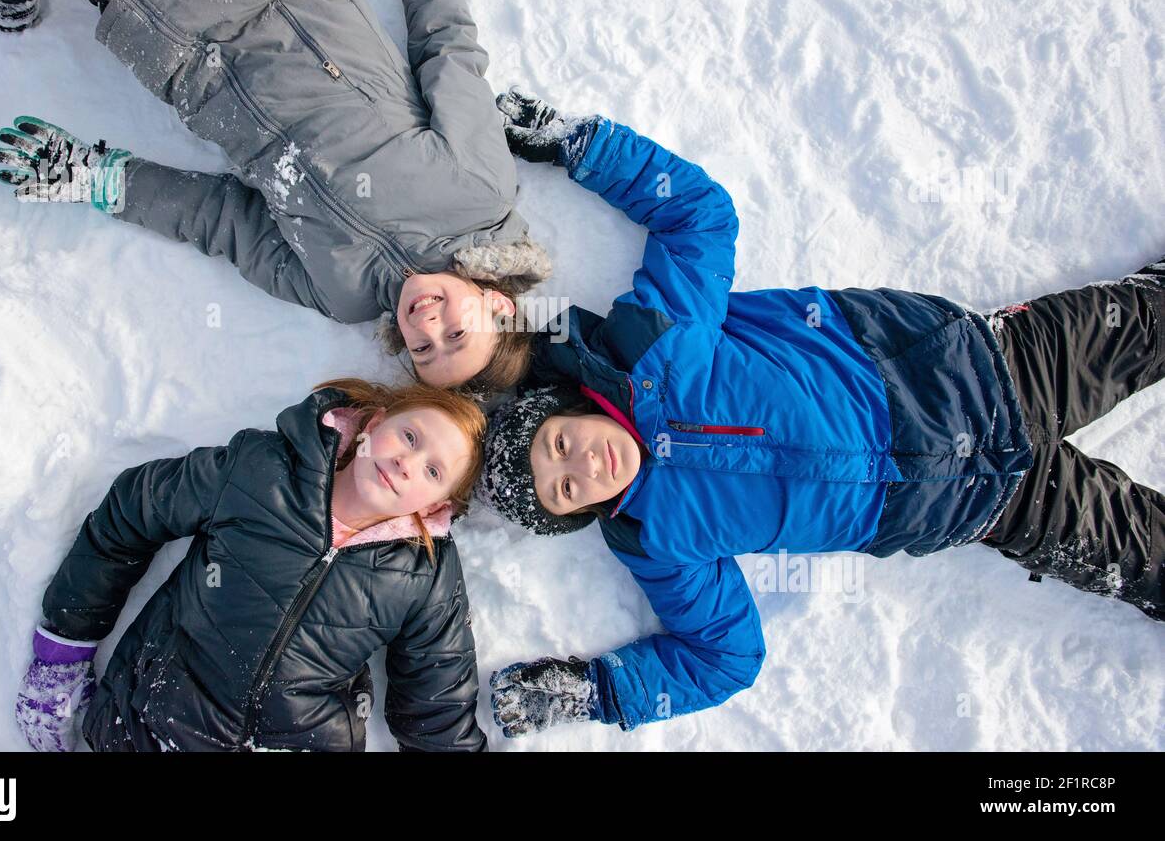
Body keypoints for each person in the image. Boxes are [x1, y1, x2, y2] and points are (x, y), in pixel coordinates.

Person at [477, 88, 1164, 739]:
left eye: (561, 441)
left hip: (975, 375)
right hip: (974, 503)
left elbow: (700, 213)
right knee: (1149, 559)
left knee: (1149, 320)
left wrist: (582, 145)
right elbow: (726, 658)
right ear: (578, 513)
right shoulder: (656, 543)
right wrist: (597, 691)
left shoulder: (655, 345)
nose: (584, 462)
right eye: (565, 486)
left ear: (571, 406)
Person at [0, 0, 550, 391]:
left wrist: (97, 177)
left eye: (421, 351)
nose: (426, 328)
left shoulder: (340, 291)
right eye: (453, 335)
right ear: (496, 307)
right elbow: (447, 50)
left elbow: (218, 219)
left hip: (178, 27)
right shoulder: (480, 192)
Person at [15, 378, 488, 751]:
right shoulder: (260, 470)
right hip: (148, 725)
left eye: (432, 471)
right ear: (374, 423)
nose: (409, 462)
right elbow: (132, 514)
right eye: (409, 436)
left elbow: (438, 701)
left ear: (435, 506)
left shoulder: (425, 575)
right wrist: (64, 650)